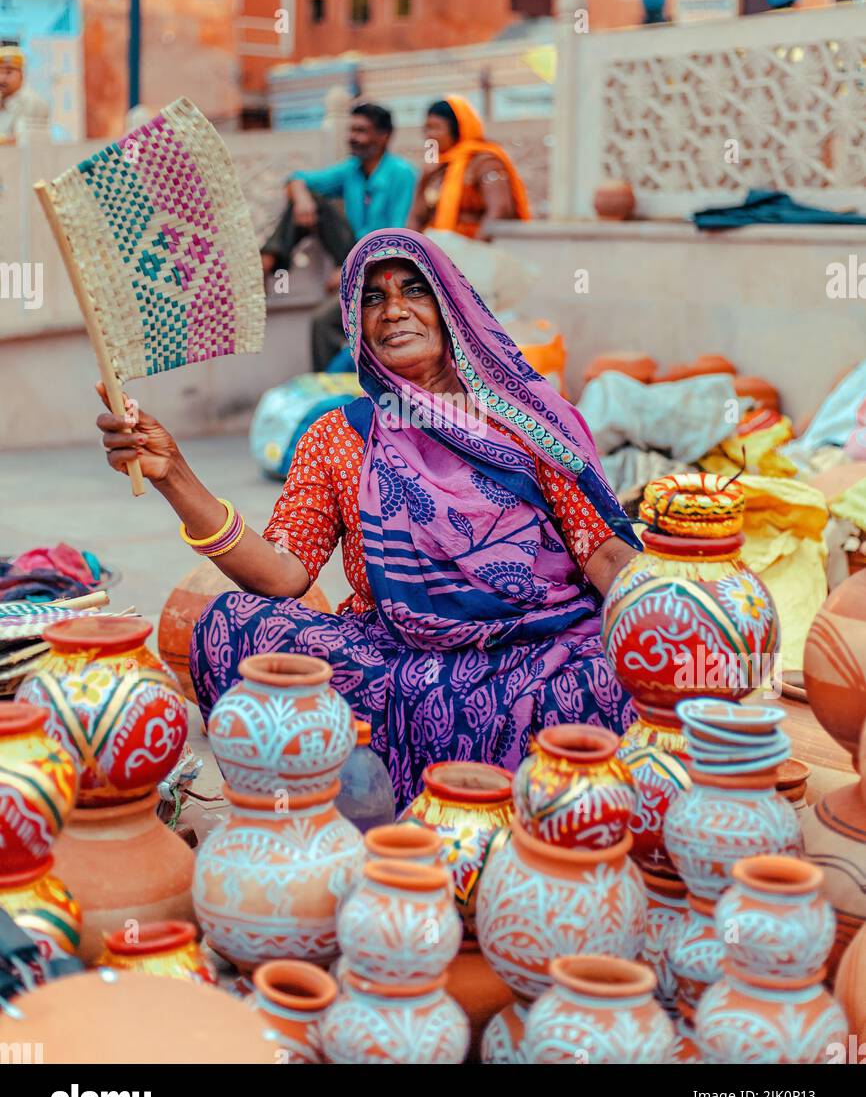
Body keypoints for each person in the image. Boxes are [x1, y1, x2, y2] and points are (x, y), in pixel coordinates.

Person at [97, 229, 642, 808]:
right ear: (356, 324)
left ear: (451, 305)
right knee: (233, 625)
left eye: (415, 290)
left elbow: (604, 554)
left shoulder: (523, 422)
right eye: (373, 299)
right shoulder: (338, 436)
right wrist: (173, 475)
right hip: (396, 658)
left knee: (619, 670)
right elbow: (283, 577)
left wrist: (672, 607)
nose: (395, 311)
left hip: (538, 649)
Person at [261, 103, 416, 369]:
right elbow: (297, 179)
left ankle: (332, 396)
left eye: (361, 131)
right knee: (313, 200)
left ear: (383, 136)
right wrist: (301, 199)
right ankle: (269, 259)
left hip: (381, 265)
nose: (352, 137)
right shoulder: (351, 170)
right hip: (351, 249)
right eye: (351, 130)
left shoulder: (402, 174)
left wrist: (348, 269)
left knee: (322, 321)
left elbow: (396, 239)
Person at [407, 96, 531, 240]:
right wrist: (424, 179)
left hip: (472, 252)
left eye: (436, 128)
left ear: (458, 129)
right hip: (438, 253)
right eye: (426, 129)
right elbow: (417, 217)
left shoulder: (485, 162)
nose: (429, 135)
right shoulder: (438, 167)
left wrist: (474, 250)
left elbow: (500, 209)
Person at [0, 46, 50, 143]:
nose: (1, 78)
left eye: (8, 72)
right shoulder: (3, 100)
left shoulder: (32, 102)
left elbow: (23, 142)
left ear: (22, 74)